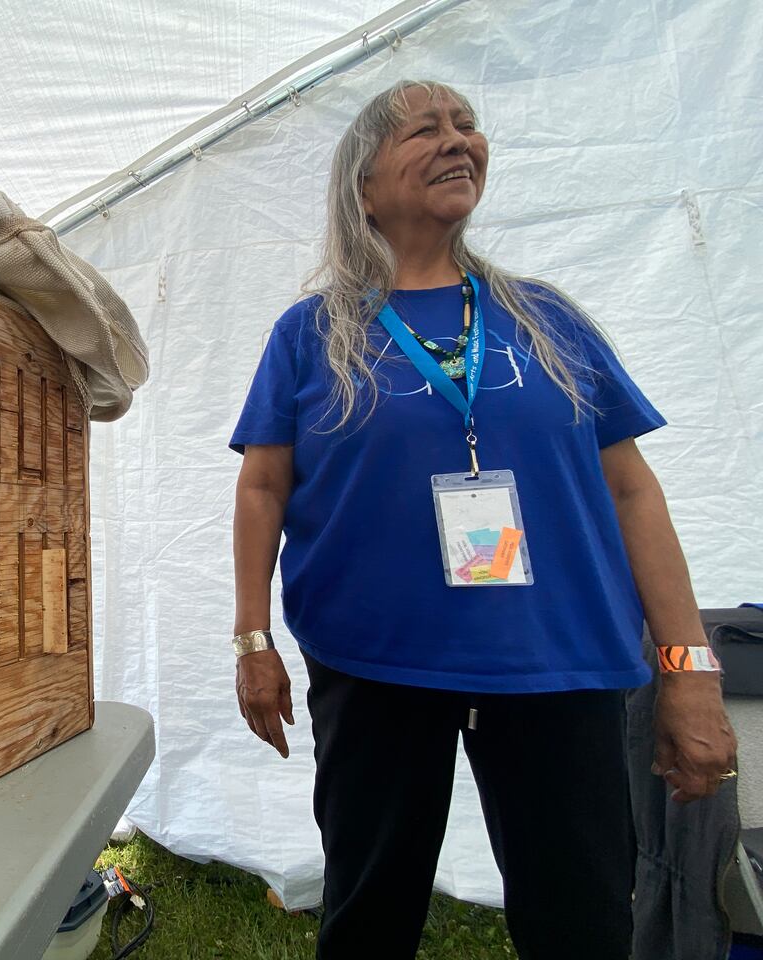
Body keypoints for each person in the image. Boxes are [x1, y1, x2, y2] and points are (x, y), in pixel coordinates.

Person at [229, 80, 738, 960]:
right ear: (363, 187)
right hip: (375, 661)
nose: (458, 140)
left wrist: (689, 669)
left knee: (581, 919)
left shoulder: (548, 321)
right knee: (369, 914)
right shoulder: (313, 332)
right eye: (425, 130)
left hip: (557, 661)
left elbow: (632, 492)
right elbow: (263, 488)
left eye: (468, 126)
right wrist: (251, 641)